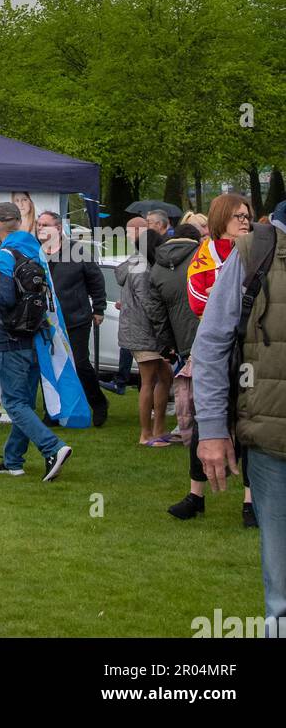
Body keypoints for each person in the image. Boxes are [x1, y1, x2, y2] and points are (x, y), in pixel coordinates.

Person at [192, 200, 286, 629]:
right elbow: (211, 345)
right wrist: (211, 430)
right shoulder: (255, 252)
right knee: (283, 596)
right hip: (273, 442)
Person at [177, 193, 256, 525]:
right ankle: (196, 494)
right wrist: (222, 297)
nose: (243, 220)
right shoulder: (206, 252)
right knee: (205, 420)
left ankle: (251, 501)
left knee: (251, 422)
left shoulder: (257, 251)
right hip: (215, 348)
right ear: (221, 218)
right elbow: (196, 296)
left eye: (246, 215)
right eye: (237, 215)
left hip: (250, 348)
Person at [0, 202, 72, 480]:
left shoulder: (5, 255)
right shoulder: (35, 249)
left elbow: (6, 297)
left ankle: (52, 447)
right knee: (24, 402)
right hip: (36, 334)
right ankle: (13, 461)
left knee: (14, 403)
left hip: (11, 337)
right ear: (20, 222)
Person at [36, 211, 108, 427]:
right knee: (51, 366)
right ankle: (55, 410)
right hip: (46, 321)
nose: (40, 228)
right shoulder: (36, 253)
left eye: (45, 224)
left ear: (58, 228)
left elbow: (96, 280)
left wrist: (99, 308)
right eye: (38, 224)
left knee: (80, 363)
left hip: (75, 318)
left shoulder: (77, 250)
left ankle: (98, 402)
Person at [146, 222, 202, 458]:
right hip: (207, 330)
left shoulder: (157, 268)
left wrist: (166, 343)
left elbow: (156, 313)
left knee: (185, 386)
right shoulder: (202, 258)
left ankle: (185, 428)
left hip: (180, 337)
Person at [115, 227, 170, 445]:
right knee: (148, 381)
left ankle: (158, 429)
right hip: (143, 332)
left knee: (165, 377)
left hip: (139, 331)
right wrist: (164, 327)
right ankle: (146, 434)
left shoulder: (135, 265)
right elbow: (149, 304)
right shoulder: (142, 269)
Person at [102, 215, 146, 395]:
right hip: (137, 313)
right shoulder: (144, 254)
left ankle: (121, 381)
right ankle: (122, 381)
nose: (126, 236)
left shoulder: (141, 255)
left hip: (138, 317)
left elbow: (121, 275)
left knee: (137, 354)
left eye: (128, 232)